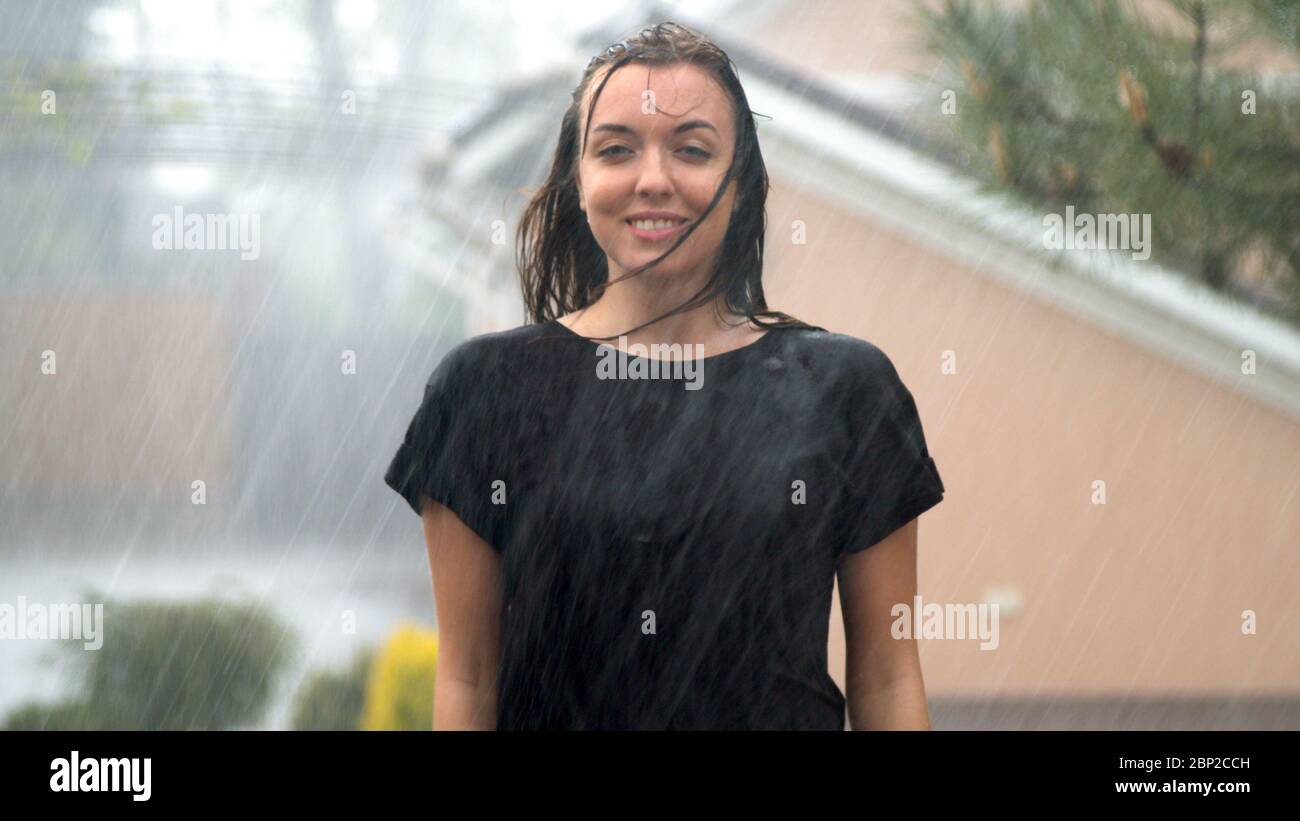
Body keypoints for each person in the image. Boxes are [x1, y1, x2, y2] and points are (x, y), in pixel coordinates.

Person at [384, 22, 945, 730]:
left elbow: (890, 681)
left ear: (740, 186)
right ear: (577, 181)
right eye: (616, 149)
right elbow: (467, 678)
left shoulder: (846, 391)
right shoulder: (483, 391)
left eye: (692, 149)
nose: (654, 179)